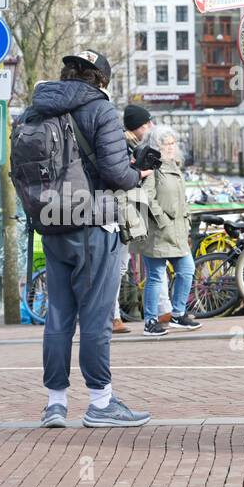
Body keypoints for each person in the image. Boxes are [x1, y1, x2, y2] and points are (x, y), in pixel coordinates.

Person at [18, 48, 152, 428]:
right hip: (93, 221)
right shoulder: (100, 109)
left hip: (51, 221)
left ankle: (55, 403)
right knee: (95, 316)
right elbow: (114, 171)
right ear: (101, 80)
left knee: (58, 315)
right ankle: (100, 401)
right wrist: (136, 175)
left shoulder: (37, 108)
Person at [138, 124, 199, 336]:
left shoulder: (174, 166)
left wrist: (187, 218)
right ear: (156, 145)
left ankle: (177, 313)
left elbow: (180, 197)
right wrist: (162, 220)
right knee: (155, 276)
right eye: (166, 143)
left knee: (187, 269)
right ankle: (150, 321)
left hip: (177, 229)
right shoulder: (153, 167)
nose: (171, 147)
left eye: (173, 143)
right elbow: (146, 197)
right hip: (158, 231)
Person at [112, 104, 158, 335]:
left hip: (130, 208)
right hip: (123, 210)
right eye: (145, 124)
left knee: (122, 264)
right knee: (118, 266)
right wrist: (139, 173)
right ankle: (113, 316)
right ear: (135, 128)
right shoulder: (124, 146)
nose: (150, 127)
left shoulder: (134, 145)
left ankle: (115, 315)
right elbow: (122, 176)